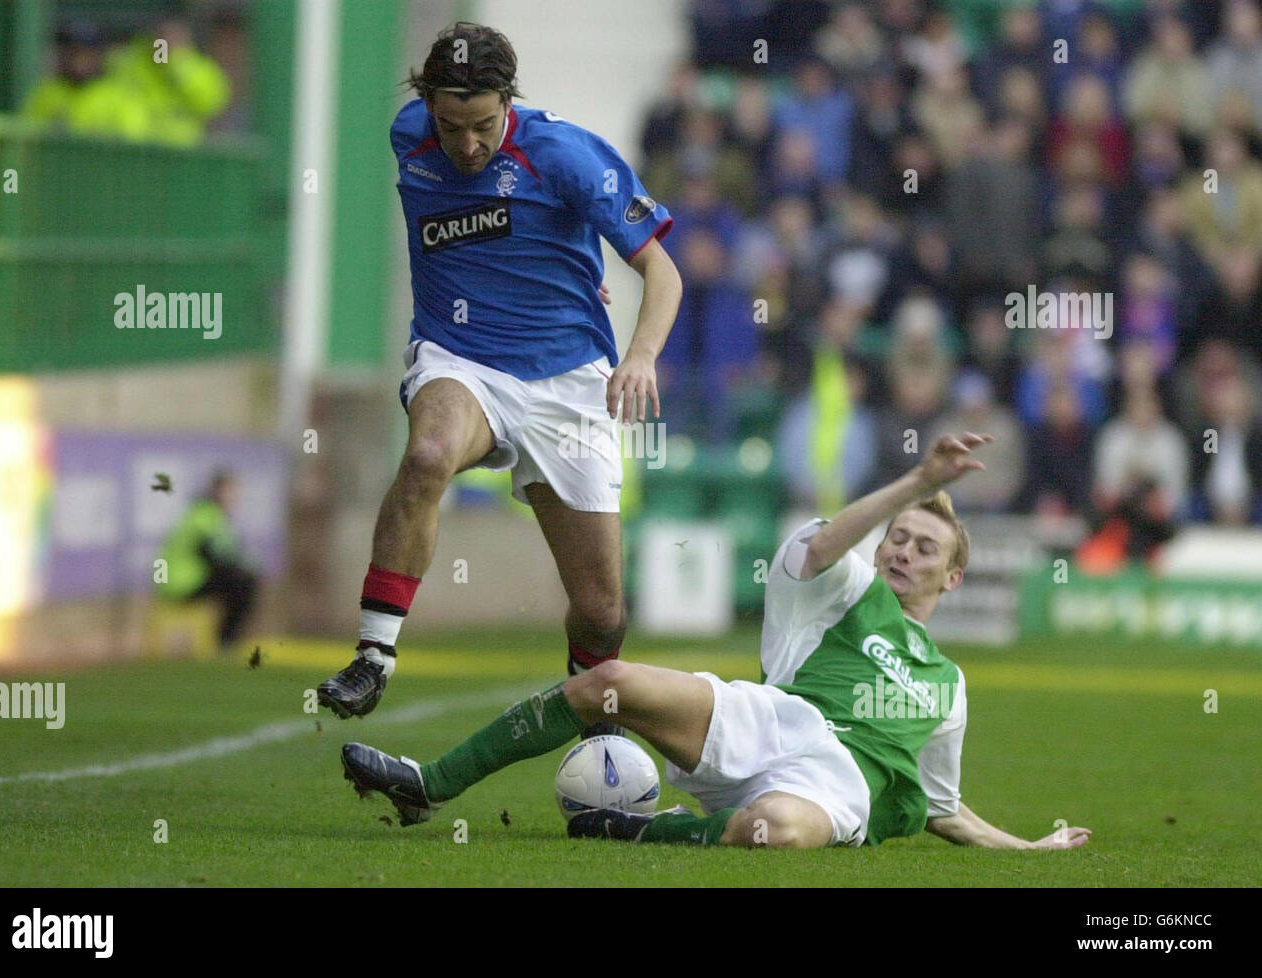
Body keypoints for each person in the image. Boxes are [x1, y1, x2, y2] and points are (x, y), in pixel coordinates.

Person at [339, 433, 1093, 851]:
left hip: (839, 787)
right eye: (899, 538)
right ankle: (428, 785)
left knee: (768, 833)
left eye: (925, 549)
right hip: (774, 720)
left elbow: (939, 805)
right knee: (608, 684)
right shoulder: (845, 587)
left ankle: (642, 833)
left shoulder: (949, 687)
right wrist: (913, 481)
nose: (902, 552)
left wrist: (1027, 850)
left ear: (954, 577)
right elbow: (830, 544)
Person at [314, 24, 682, 730]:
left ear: (508, 101)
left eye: (484, 125)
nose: (468, 144)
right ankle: (374, 654)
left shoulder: (567, 155)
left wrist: (638, 355)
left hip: (568, 376)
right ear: (426, 106)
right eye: (452, 127)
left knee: (604, 612)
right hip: (463, 359)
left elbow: (661, 269)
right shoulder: (408, 137)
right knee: (426, 456)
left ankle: (590, 733)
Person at [155, 470, 258, 652]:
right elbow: (211, 556)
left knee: (242, 580)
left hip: (191, 579)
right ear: (217, 492)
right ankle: (226, 642)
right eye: (230, 491)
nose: (235, 497)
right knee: (244, 583)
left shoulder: (213, 516)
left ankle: (227, 640)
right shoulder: (204, 515)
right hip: (182, 583)